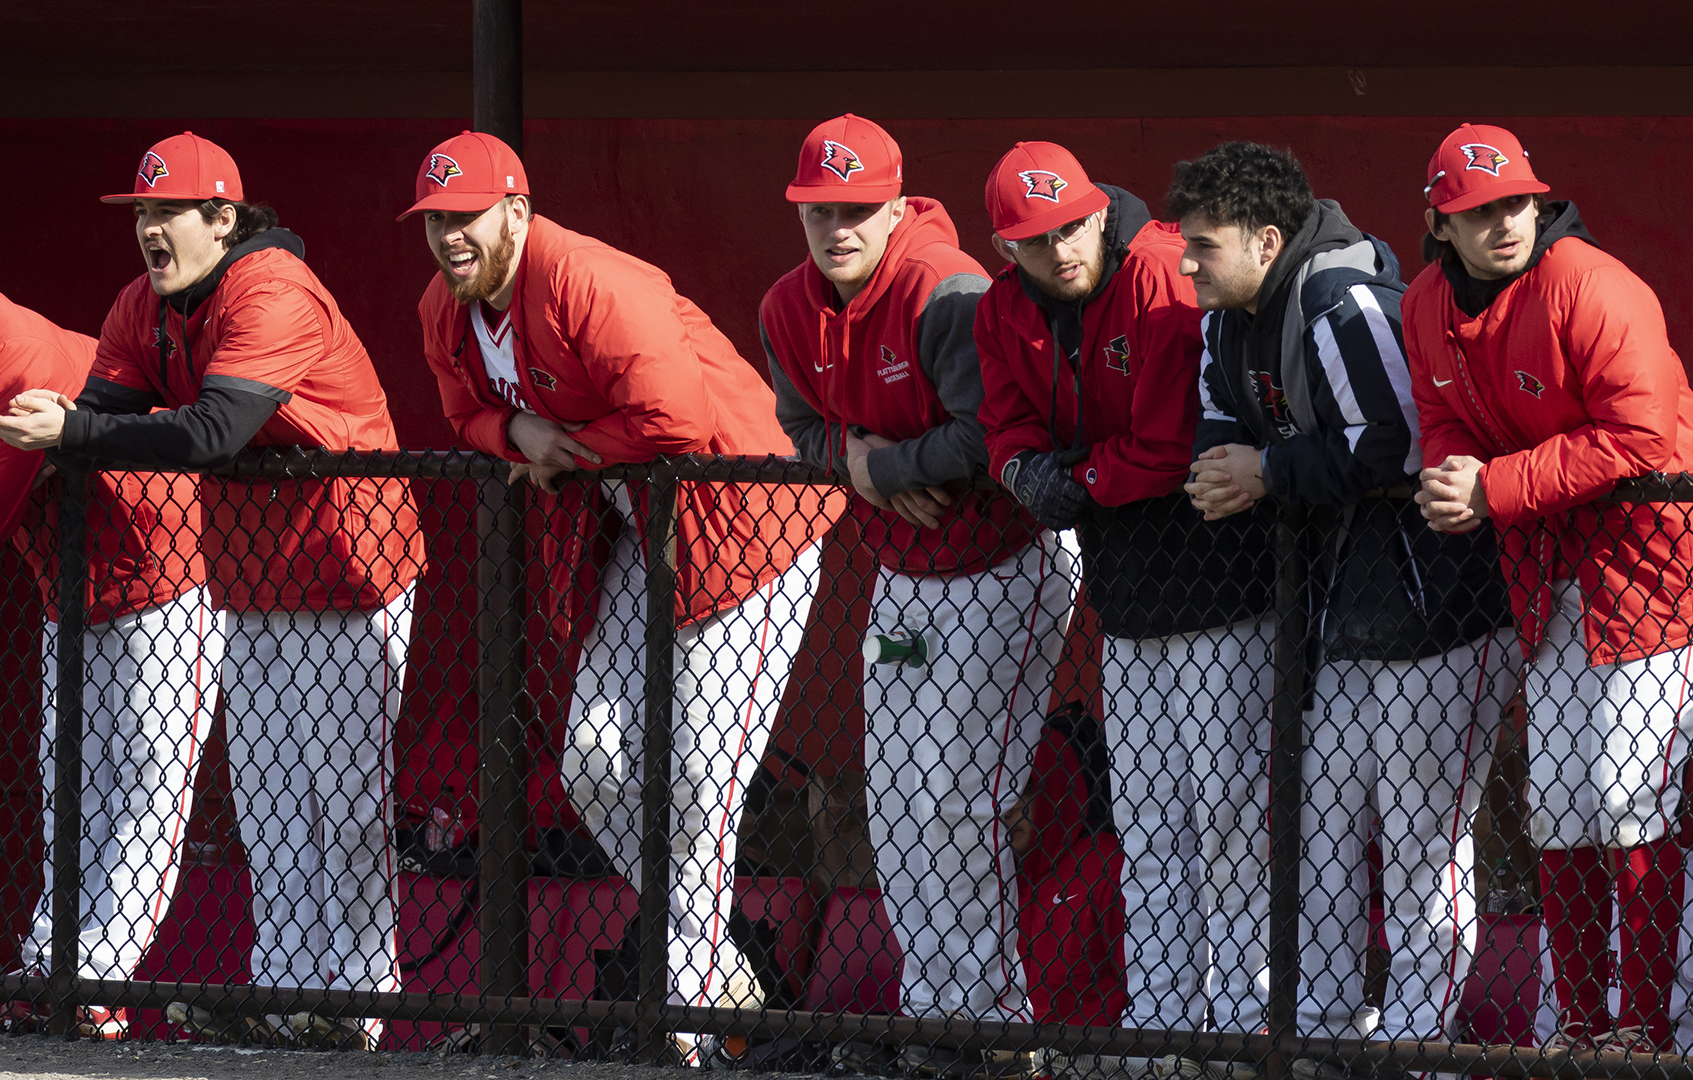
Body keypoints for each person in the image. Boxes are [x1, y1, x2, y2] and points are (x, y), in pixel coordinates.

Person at [0, 133, 425, 1048]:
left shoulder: (273, 290)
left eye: (167, 211)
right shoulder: (140, 305)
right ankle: (288, 993)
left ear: (223, 219)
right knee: (268, 799)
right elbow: (102, 411)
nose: (148, 228)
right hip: (250, 572)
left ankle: (356, 1002)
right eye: (140, 213)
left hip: (351, 563)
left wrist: (73, 431)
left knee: (341, 797)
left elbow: (215, 431)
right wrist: (55, 423)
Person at [408, 130, 841, 1057]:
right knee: (595, 762)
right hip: (643, 531)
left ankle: (680, 1013)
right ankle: (714, 963)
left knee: (699, 776)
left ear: (517, 212)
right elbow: (458, 408)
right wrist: (517, 429)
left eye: (467, 216)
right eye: (436, 220)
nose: (449, 236)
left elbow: (678, 418)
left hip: (742, 524)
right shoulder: (445, 307)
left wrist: (569, 448)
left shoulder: (588, 280)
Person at [1173, 142, 1517, 1076]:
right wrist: (1230, 464)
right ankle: (1319, 1032)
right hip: (1345, 609)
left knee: (1417, 840)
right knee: (1321, 828)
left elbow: (1401, 450)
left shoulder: (1338, 301)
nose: (1187, 262)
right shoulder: (1229, 320)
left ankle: (1417, 1044)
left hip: (1438, 599)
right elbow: (1222, 425)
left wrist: (1266, 472)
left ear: (1267, 239)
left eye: (1204, 244)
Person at [761, 114, 1075, 1079]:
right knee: (897, 804)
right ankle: (938, 1013)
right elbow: (796, 422)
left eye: (858, 209)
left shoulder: (945, 287)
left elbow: (995, 434)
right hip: (903, 577)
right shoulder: (785, 306)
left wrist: (879, 462)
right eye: (821, 210)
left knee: (953, 798)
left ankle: (990, 1022)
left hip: (1003, 566)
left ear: (896, 206)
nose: (838, 227)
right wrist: (860, 466)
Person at [0, 220, 213, 1038]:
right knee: (73, 796)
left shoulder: (13, 350)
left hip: (162, 572)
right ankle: (49, 968)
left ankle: (94, 980)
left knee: (147, 798)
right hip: (67, 588)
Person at [972, 141, 1274, 1080]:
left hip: (1220, 575)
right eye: (1033, 237)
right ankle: (1162, 1033)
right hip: (1127, 588)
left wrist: (1080, 476)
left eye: (1070, 224)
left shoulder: (1159, 272)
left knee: (1228, 822)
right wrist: (1020, 465)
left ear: (1098, 211)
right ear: (1003, 245)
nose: (1059, 248)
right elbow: (1005, 419)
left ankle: (1239, 1033)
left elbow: (1170, 441)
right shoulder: (1001, 309)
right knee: (1147, 825)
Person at [1406, 123, 1693, 1055]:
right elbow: (1444, 414)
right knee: (1559, 804)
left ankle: (1644, 1033)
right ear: (1439, 224)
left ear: (1538, 200)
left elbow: (1643, 437)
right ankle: (1580, 1027)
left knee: (1626, 797)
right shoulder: (1425, 303)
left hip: (1650, 567)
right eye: (1476, 211)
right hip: (1547, 572)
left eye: (1515, 203)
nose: (1501, 224)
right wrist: (1455, 476)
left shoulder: (1592, 284)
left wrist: (1493, 488)